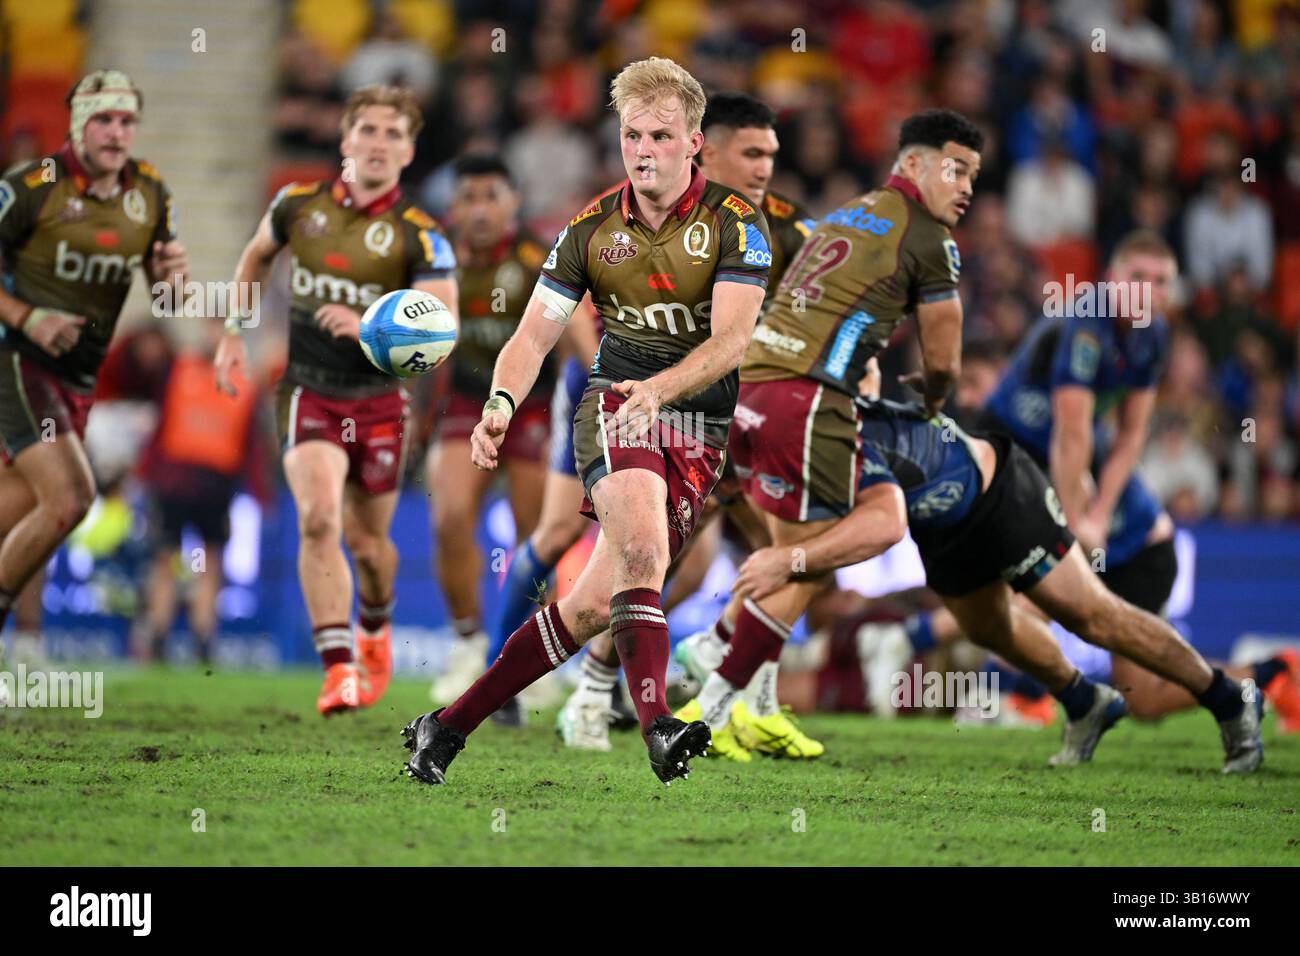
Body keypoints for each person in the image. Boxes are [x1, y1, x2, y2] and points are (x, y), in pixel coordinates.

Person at [400, 57, 771, 786]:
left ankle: (443, 729)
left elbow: (732, 341)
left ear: (694, 141)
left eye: (661, 135)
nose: (643, 150)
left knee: (593, 605)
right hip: (614, 408)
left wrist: (663, 390)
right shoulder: (590, 229)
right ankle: (659, 724)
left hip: (697, 429)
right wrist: (500, 405)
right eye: (632, 134)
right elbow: (533, 336)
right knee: (642, 560)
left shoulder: (736, 225)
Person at [731, 361, 1263, 774]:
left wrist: (789, 559)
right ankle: (1086, 702)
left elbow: (881, 528)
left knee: (1095, 618)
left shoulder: (841, 433)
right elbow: (801, 544)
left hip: (1002, 495)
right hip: (942, 530)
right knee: (987, 629)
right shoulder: (793, 446)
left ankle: (1226, 700)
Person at [674, 109, 982, 761]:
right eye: (955, 169)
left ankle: (750, 706)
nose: (966, 187)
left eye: (973, 175)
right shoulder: (929, 239)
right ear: (913, 165)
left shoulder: (846, 213)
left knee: (808, 556)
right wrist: (932, 397)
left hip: (754, 390)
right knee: (830, 553)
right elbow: (946, 353)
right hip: (809, 400)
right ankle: (713, 686)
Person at [555, 90, 819, 752]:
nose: (764, 168)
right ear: (709, 147)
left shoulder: (787, 228)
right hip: (655, 413)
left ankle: (739, 687)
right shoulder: (640, 219)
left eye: (772, 155)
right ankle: (594, 686)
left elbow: (819, 320)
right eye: (751, 153)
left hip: (751, 413)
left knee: (800, 552)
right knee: (661, 561)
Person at [216, 84, 458, 716]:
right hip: (308, 392)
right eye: (369, 131)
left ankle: (374, 627)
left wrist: (371, 324)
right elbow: (254, 259)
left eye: (393, 135)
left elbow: (442, 328)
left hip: (379, 401)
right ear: (345, 139)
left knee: (370, 548)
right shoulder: (298, 206)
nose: (379, 144)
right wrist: (233, 334)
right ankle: (337, 668)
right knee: (319, 517)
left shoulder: (423, 235)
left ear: (409, 152)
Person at [0, 70, 187, 638]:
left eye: (126, 120)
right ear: (77, 123)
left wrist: (171, 280)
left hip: (78, 381)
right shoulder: (31, 185)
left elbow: (164, 291)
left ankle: (26, 641)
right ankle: (22, 636)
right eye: (102, 118)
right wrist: (27, 316)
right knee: (70, 498)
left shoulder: (150, 191)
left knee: (29, 511)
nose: (115, 131)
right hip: (19, 363)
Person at [425, 154, 553, 705]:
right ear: (453, 207)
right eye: (469, 197)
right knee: (450, 516)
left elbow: (574, 340)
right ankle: (468, 645)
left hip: (536, 403)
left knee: (536, 534)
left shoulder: (538, 258)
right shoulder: (434, 260)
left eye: (491, 196)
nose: (480, 209)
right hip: (465, 401)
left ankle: (532, 657)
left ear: (513, 203)